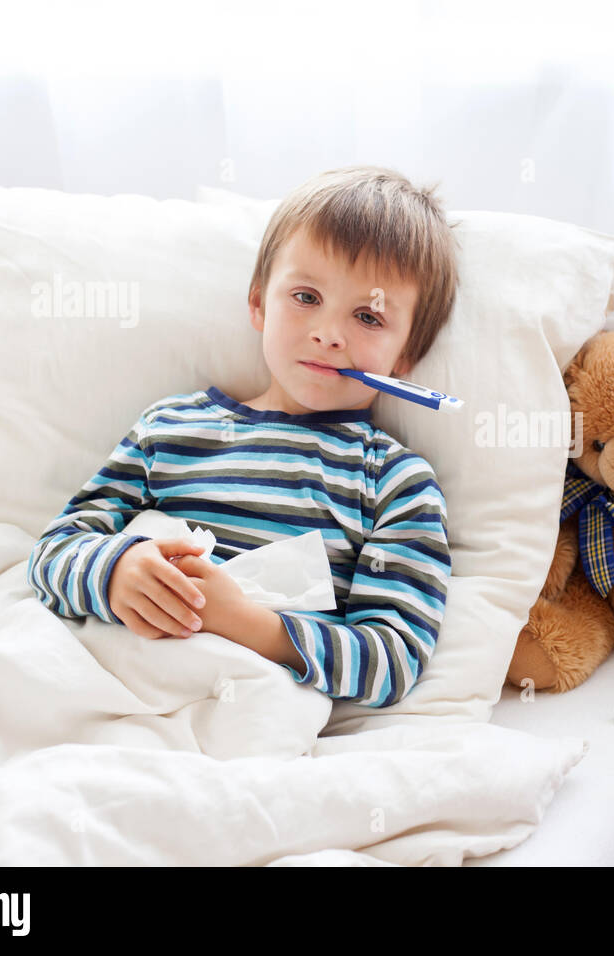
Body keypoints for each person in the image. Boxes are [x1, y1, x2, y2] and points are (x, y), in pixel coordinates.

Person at [27, 166, 457, 708]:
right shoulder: (169, 428)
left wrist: (243, 623)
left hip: (246, 715)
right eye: (305, 297)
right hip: (101, 685)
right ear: (258, 303)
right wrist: (114, 572)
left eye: (368, 317)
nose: (328, 333)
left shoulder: (396, 484)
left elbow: (390, 661)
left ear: (406, 358)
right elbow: (52, 552)